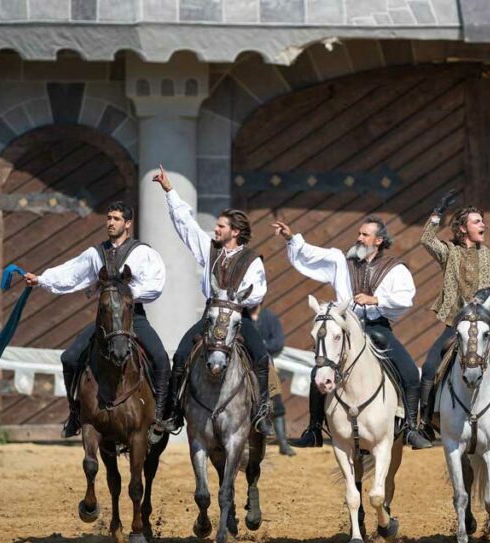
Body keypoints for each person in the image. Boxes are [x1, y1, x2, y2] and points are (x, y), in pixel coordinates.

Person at [273, 216, 432, 450]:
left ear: (378, 241)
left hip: (377, 328)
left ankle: (410, 427)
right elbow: (310, 254)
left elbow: (405, 297)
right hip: (345, 327)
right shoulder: (341, 261)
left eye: (364, 235)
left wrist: (376, 299)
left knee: (409, 373)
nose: (358, 238)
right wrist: (291, 238)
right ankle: (314, 429)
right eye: (359, 233)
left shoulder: (394, 268)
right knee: (319, 370)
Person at [22, 201, 169, 441]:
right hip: (106, 322)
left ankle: (161, 417)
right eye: (109, 217)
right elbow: (71, 272)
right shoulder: (95, 253)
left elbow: (156, 284)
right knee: (69, 358)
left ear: (128, 224)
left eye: (117, 219)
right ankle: (75, 415)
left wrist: (127, 295)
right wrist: (41, 279)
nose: (111, 222)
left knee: (161, 359)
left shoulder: (143, 252)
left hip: (133, 316)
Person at [152, 165, 272, 434]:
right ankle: (173, 413)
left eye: (221, 226)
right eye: (216, 226)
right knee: (182, 354)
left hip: (237, 318)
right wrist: (170, 190)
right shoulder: (209, 248)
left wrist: (236, 300)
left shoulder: (252, 260)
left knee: (262, 357)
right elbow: (186, 223)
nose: (215, 229)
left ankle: (261, 412)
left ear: (236, 232)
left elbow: (259, 292)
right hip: (210, 315)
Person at [417, 190, 490, 443]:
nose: (483, 224)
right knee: (431, 367)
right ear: (463, 229)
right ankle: (424, 425)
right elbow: (425, 240)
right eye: (477, 221)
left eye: (482, 220)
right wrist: (437, 213)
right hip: (455, 325)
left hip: (486, 325)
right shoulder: (449, 253)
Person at [249, 305, 295, 456]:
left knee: (276, 401)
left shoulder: (269, 317)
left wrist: (260, 345)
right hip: (244, 363)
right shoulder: (241, 318)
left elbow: (278, 342)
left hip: (266, 364)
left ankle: (283, 443)